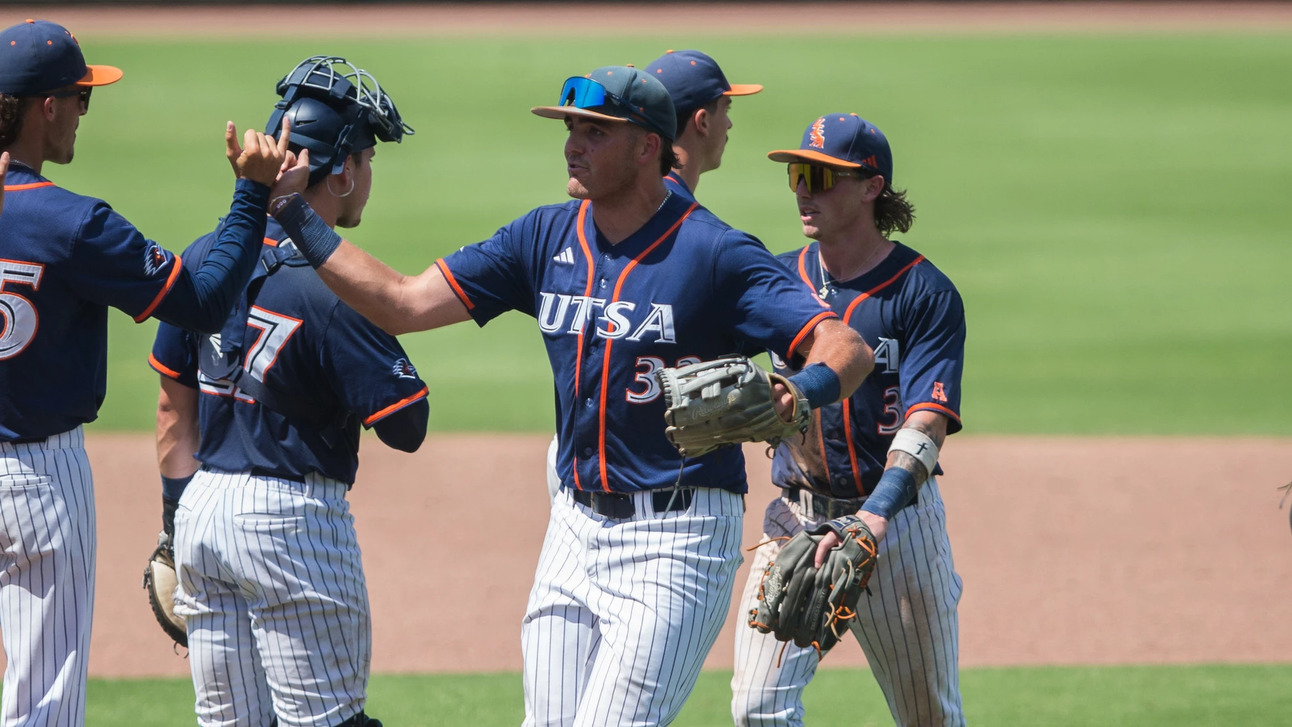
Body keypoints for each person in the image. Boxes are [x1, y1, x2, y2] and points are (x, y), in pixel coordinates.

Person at [265, 65, 874, 726]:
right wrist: (294, 210)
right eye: (570, 129)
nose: (571, 145)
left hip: (677, 535)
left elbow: (846, 345)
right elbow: (403, 302)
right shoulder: (544, 237)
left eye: (594, 131)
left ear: (647, 146)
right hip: (573, 528)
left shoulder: (715, 252)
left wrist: (798, 388)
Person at [0, 19, 292, 727]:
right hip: (40, 482)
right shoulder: (70, 223)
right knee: (43, 698)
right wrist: (251, 195)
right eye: (80, 99)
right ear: (46, 107)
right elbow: (201, 300)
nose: (80, 115)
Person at [149, 56, 427, 727]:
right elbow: (407, 423)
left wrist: (172, 529)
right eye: (366, 158)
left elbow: (170, 411)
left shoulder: (208, 253)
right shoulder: (336, 289)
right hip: (289, 520)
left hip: (201, 513)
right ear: (345, 169)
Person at [731, 113, 967, 726]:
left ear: (871, 187)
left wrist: (875, 515)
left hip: (896, 529)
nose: (805, 189)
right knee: (756, 708)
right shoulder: (779, 280)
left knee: (928, 718)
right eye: (798, 176)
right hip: (797, 521)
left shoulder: (923, 293)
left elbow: (927, 421)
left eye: (822, 176)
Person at [542, 49, 763, 500]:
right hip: (640, 479)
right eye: (727, 108)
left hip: (579, 462)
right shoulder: (697, 232)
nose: (730, 123)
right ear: (701, 120)